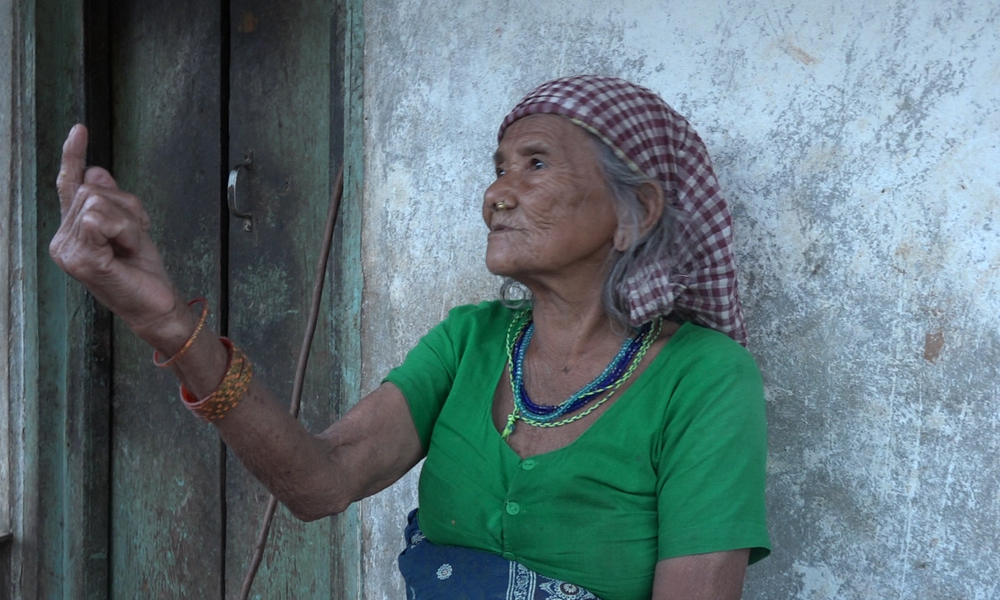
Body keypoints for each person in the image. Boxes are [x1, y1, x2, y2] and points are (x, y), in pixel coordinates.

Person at [50, 75, 769, 600]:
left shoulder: (705, 377)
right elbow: (321, 480)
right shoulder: (472, 341)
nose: (497, 193)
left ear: (634, 211)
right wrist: (166, 321)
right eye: (499, 168)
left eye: (537, 163)